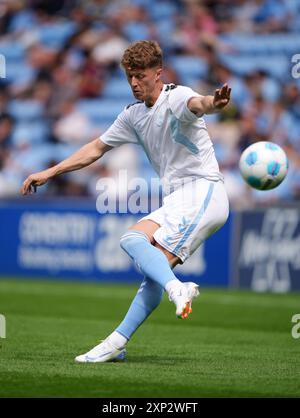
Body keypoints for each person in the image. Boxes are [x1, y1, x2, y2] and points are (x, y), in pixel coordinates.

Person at [21, 40, 231, 363]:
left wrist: (215, 103)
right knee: (146, 260)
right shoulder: (133, 115)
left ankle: (176, 290)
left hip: (204, 191)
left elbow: (199, 103)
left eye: (141, 76)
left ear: (158, 73)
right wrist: (50, 172)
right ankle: (117, 342)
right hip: (179, 199)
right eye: (129, 77)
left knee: (135, 243)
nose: (134, 83)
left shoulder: (174, 97)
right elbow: (95, 148)